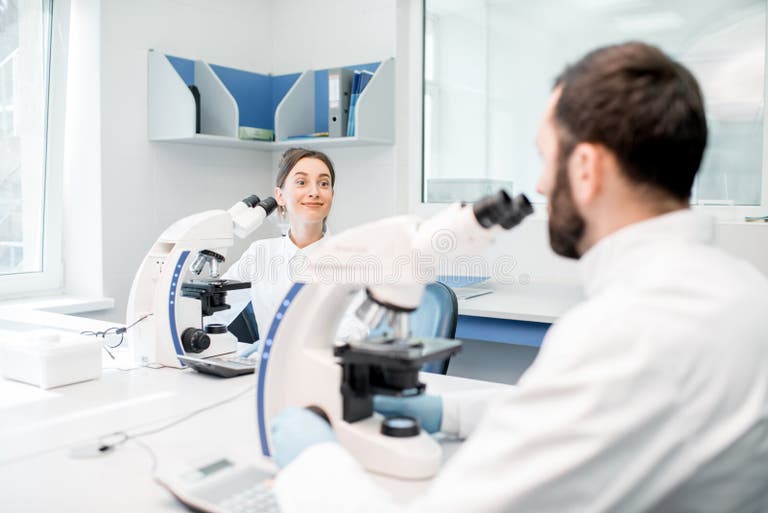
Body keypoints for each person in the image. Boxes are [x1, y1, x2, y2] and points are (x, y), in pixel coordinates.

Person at [267, 42, 768, 512]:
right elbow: (576, 414)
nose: (541, 184)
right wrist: (449, 413)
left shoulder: (627, 330)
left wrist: (311, 459)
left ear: (587, 168)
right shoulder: (742, 291)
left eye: (546, 158)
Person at [213, 147, 365, 342]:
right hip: (267, 369)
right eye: (301, 182)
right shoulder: (260, 253)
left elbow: (355, 328)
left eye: (324, 183)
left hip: (323, 368)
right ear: (280, 196)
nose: (314, 192)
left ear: (332, 195)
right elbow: (217, 311)